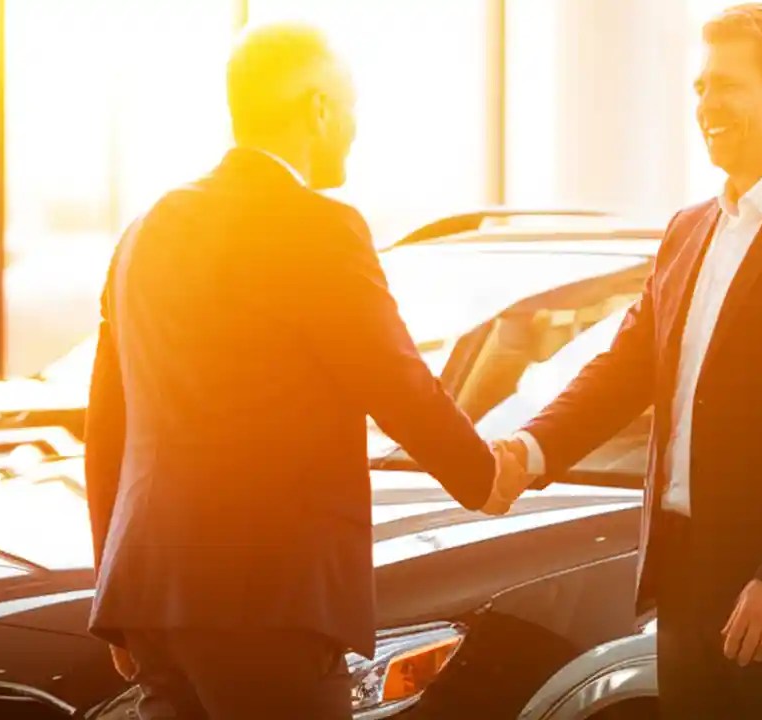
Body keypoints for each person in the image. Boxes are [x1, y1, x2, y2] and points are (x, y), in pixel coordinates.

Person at [84, 23, 522, 720]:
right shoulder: (314, 224)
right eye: (349, 108)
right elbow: (394, 376)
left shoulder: (146, 230)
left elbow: (107, 422)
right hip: (266, 598)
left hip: (150, 597)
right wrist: (484, 475)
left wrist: (117, 585)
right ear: (317, 109)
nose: (353, 128)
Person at [494, 4, 762, 717]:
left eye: (727, 86)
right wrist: (528, 451)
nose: (707, 106)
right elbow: (627, 368)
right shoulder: (688, 230)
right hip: (685, 583)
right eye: (699, 89)